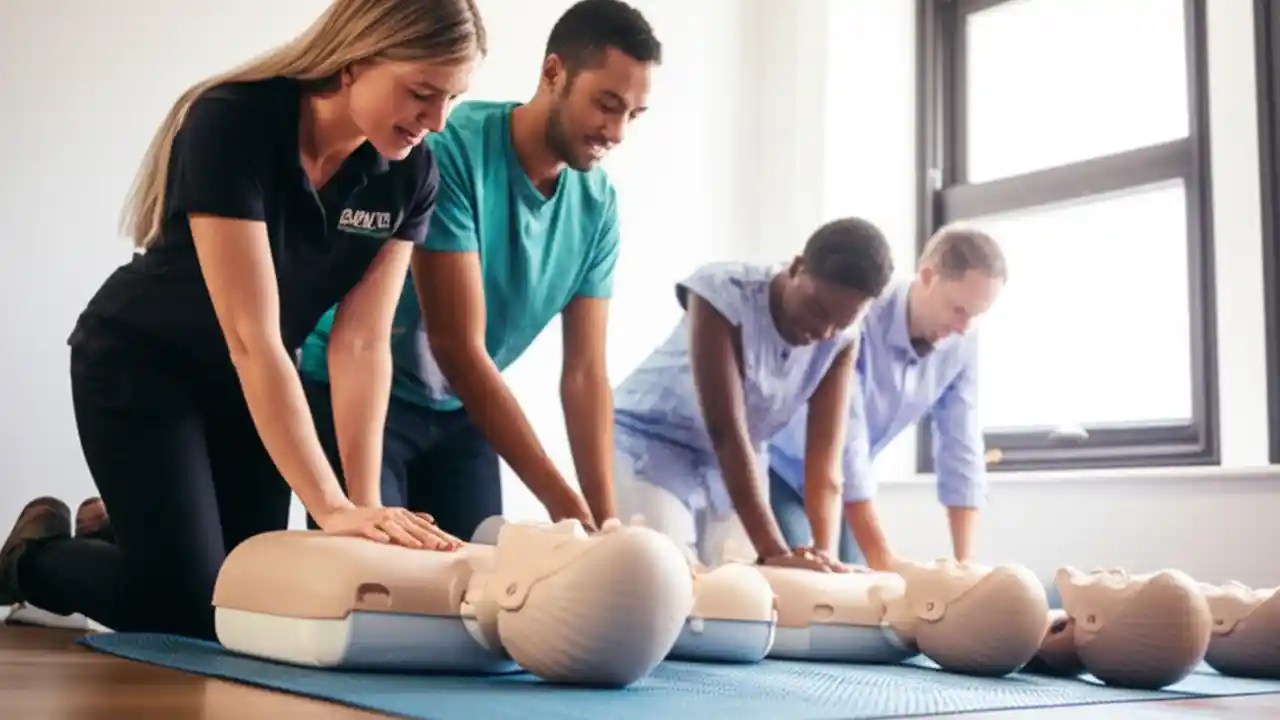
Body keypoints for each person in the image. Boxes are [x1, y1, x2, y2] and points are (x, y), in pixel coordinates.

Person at [0, 0, 486, 641]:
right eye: (422, 93)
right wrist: (329, 507)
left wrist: (363, 504)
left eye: (452, 99)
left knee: (246, 597)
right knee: (190, 609)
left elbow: (362, 343)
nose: (438, 120)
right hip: (141, 367)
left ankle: (121, 529)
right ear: (355, 61)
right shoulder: (234, 121)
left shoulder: (412, 174)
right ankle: (31, 560)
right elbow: (252, 337)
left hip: (247, 389)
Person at [298, 0, 661, 540]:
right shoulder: (453, 150)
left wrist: (605, 523)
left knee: (478, 577)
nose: (617, 131)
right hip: (365, 389)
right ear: (553, 73)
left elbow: (585, 374)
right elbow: (456, 346)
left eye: (633, 114)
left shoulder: (598, 205)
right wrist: (564, 505)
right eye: (606, 104)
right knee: (380, 569)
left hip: (457, 409)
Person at [611, 218, 895, 570]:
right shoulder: (721, 292)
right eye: (818, 311)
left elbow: (824, 465)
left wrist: (824, 557)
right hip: (648, 441)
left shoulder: (841, 341)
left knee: (747, 585)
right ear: (797, 268)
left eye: (840, 323)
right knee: (666, 570)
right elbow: (725, 430)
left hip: (736, 462)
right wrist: (775, 551)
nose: (824, 332)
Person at [767, 224, 1007, 570]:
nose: (964, 326)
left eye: (975, 315)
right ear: (927, 276)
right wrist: (885, 559)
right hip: (782, 467)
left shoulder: (963, 341)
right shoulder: (861, 310)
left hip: (844, 484)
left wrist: (964, 565)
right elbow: (849, 441)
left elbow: (961, 447)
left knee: (858, 584)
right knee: (808, 578)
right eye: (958, 309)